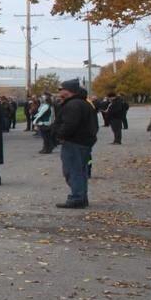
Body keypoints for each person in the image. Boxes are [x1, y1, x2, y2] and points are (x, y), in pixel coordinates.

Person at [52, 79, 98, 208]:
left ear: (69, 91)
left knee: (72, 171)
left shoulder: (73, 105)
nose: (59, 92)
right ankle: (81, 197)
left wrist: (60, 135)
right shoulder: (83, 103)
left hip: (75, 142)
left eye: (61, 89)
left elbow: (69, 124)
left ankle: (77, 198)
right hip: (83, 142)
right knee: (80, 171)